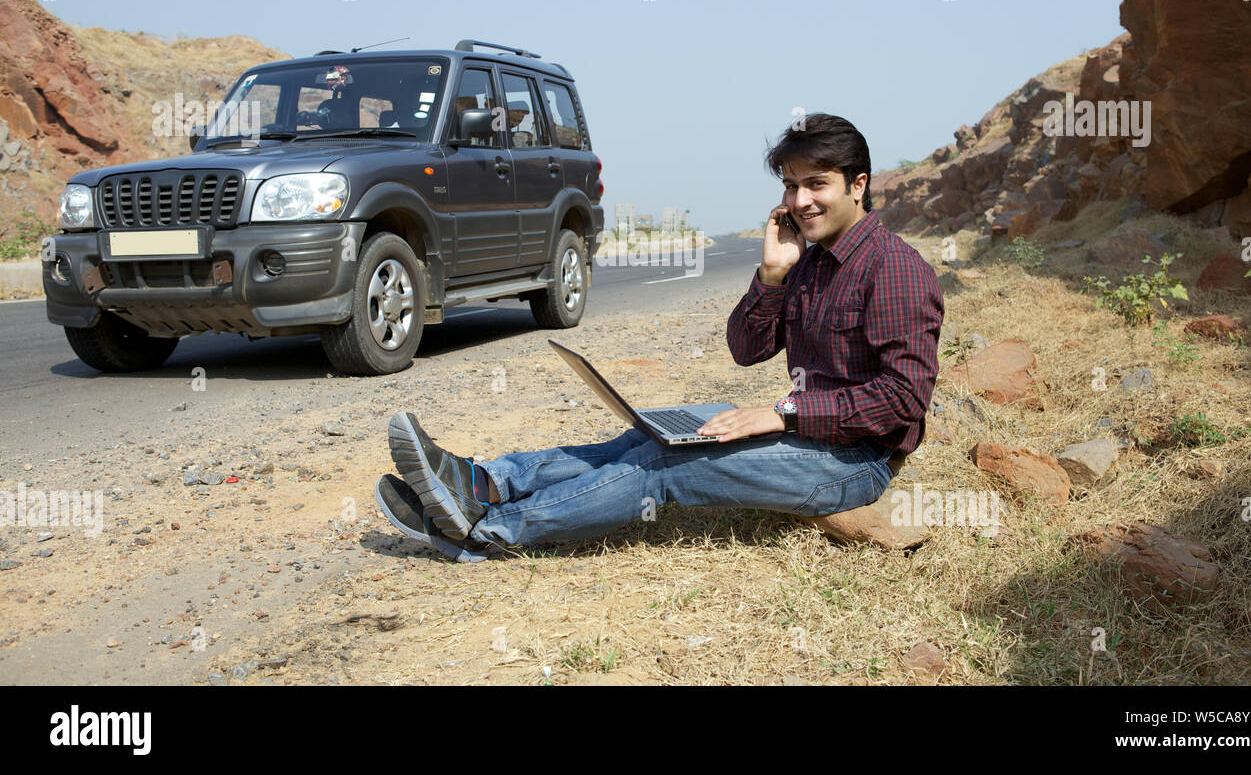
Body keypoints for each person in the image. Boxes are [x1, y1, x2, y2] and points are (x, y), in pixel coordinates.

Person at [374, 113, 945, 561]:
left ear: (858, 185)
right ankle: (482, 482)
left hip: (854, 461)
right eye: (791, 186)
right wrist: (772, 275)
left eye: (816, 184)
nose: (800, 202)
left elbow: (903, 400)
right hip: (807, 434)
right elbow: (746, 350)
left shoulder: (894, 269)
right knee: (645, 436)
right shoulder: (808, 260)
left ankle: (482, 531)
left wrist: (783, 415)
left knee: (668, 468)